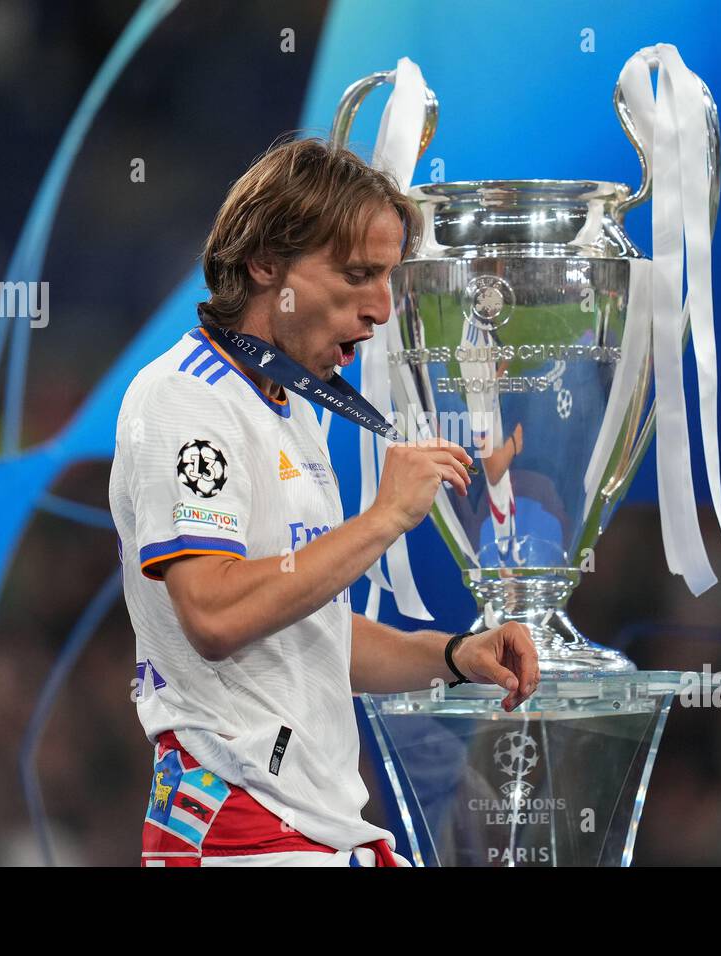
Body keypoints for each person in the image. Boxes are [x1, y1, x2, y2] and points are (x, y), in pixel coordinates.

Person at [109, 135, 540, 867]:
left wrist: (453, 656)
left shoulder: (291, 409)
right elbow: (216, 614)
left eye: (387, 278)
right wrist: (383, 519)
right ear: (265, 264)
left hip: (314, 827)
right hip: (238, 826)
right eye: (356, 275)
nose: (380, 308)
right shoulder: (184, 399)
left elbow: (312, 634)